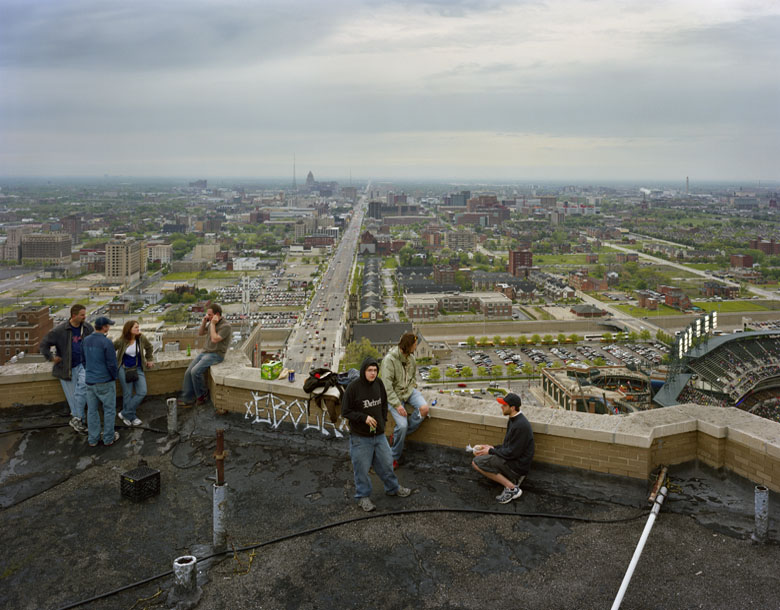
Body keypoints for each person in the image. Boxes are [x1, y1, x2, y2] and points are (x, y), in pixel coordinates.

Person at [341, 357, 412, 512]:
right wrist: (364, 418)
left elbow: (384, 403)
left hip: (379, 436)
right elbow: (345, 411)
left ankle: (393, 488)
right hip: (360, 437)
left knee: (387, 463)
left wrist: (383, 421)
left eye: (375, 370)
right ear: (363, 371)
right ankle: (363, 497)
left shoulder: (379, 384)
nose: (372, 373)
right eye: (369, 370)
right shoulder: (353, 388)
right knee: (362, 469)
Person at [39, 303, 94, 435]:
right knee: (73, 399)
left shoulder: (87, 328)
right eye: (82, 315)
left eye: (84, 314)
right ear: (74, 316)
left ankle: (78, 420)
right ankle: (80, 421)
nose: (84, 317)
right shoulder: (60, 330)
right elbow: (44, 344)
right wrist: (51, 358)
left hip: (83, 365)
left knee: (85, 387)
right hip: (67, 369)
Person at [472, 392, 534, 504]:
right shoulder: (514, 419)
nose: (501, 407)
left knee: (476, 462)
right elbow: (508, 446)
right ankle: (510, 480)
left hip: (517, 466)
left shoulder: (520, 426)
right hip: (514, 460)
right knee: (482, 454)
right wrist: (492, 447)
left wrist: (490, 451)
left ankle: (512, 488)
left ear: (513, 407)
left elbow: (512, 453)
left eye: (504, 405)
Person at [380, 331, 429, 468]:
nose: (416, 347)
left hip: (409, 391)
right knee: (402, 425)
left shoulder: (411, 358)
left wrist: (412, 386)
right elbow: (386, 387)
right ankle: (394, 457)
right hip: (394, 396)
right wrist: (397, 405)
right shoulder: (389, 361)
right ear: (408, 346)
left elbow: (413, 377)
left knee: (424, 409)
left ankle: (396, 437)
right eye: (415, 344)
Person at [179, 303, 231, 406]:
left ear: (217, 314)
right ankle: (187, 398)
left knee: (195, 372)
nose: (208, 316)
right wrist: (204, 322)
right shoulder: (212, 322)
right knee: (188, 372)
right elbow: (200, 333)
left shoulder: (225, 326)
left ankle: (202, 396)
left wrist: (212, 324)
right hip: (205, 352)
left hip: (216, 354)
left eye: (209, 314)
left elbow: (214, 339)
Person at [83, 316, 119, 447]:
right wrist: (114, 376)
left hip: (89, 382)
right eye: (108, 325)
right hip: (105, 381)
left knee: (92, 411)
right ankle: (108, 438)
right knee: (109, 410)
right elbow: (112, 364)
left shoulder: (86, 340)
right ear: (104, 327)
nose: (109, 327)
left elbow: (83, 360)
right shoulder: (106, 342)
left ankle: (93, 439)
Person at [114, 320, 154, 427]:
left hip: (138, 368)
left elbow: (149, 347)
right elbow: (110, 349)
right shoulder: (122, 341)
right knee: (128, 393)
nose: (138, 329)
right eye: (136, 327)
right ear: (129, 329)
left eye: (138, 327)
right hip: (124, 369)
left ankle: (124, 413)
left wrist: (149, 359)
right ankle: (131, 417)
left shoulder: (141, 338)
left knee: (142, 391)